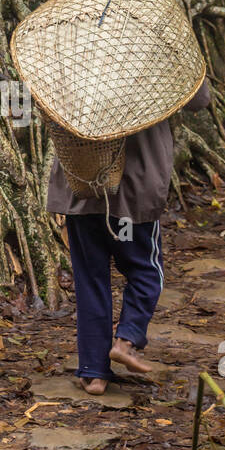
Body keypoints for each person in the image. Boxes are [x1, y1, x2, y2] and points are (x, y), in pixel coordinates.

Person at [47, 80, 211, 395]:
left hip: (81, 187)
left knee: (91, 278)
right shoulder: (157, 48)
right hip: (132, 193)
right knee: (146, 269)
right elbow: (199, 99)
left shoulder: (67, 44)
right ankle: (127, 340)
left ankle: (94, 372)